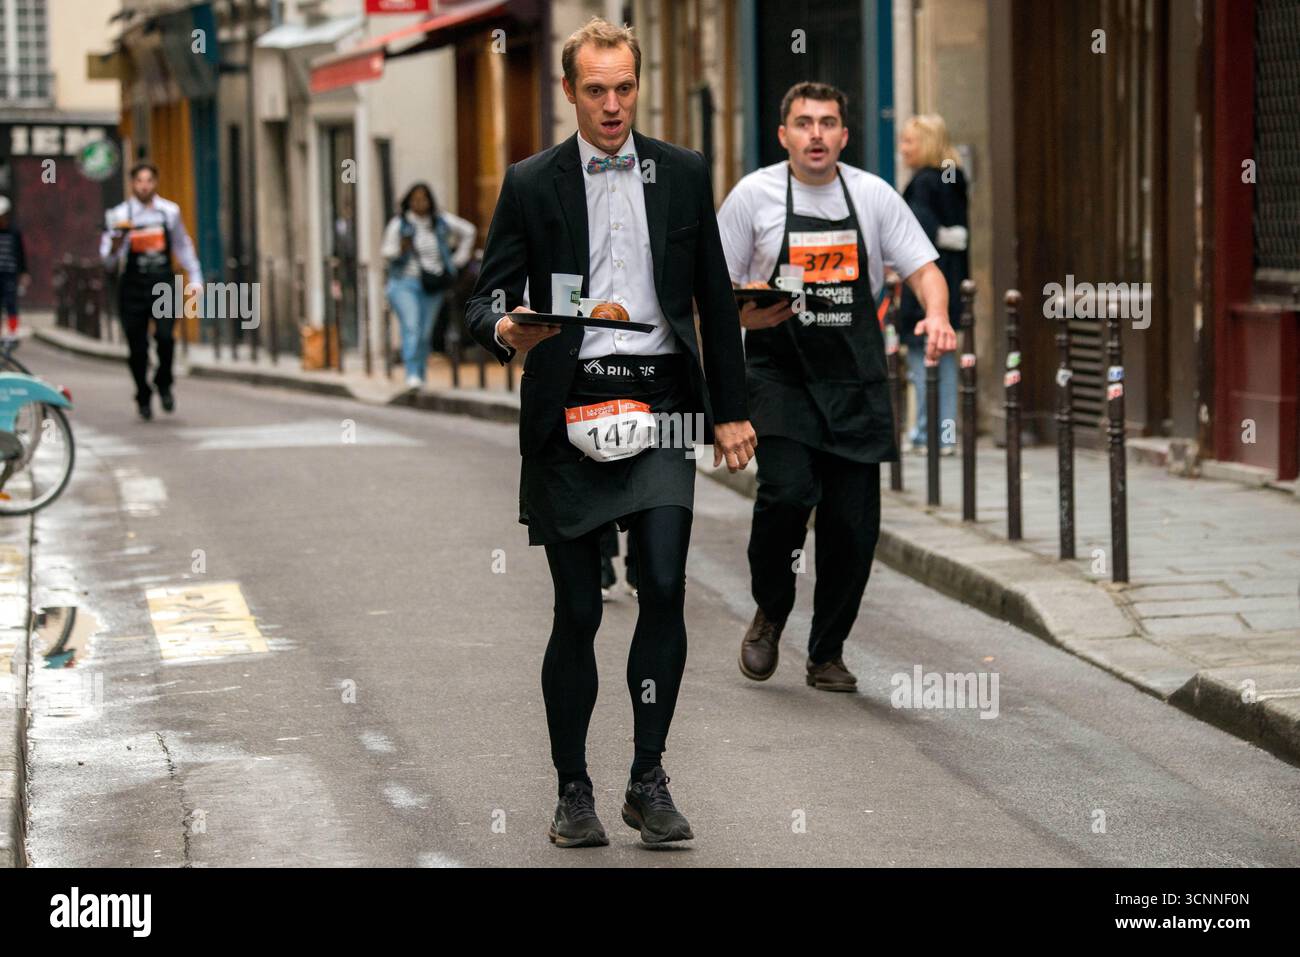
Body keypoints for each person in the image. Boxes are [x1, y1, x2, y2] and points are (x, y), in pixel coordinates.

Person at [464, 17, 754, 848]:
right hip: (569, 407)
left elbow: (713, 294)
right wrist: (506, 331)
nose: (613, 103)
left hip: (663, 403)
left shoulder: (684, 173)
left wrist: (731, 408)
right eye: (596, 89)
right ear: (569, 92)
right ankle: (572, 789)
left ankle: (648, 776)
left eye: (625, 87)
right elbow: (485, 295)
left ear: (638, 84)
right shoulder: (531, 182)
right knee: (580, 610)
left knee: (664, 585)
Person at [717, 81, 955, 692]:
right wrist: (741, 316)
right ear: (784, 135)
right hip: (780, 376)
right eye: (803, 122)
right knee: (787, 495)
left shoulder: (872, 196)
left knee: (853, 528)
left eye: (827, 123)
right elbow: (711, 293)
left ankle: (827, 652)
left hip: (854, 380)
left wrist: (938, 313)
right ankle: (771, 610)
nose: (816, 133)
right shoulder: (754, 196)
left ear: (844, 136)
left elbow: (926, 268)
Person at [100, 162, 203, 420]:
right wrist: (116, 243)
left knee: (167, 337)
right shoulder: (119, 215)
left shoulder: (169, 212)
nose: (144, 185)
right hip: (133, 286)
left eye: (149, 180)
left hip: (163, 283)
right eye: (139, 181)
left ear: (155, 183)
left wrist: (195, 277)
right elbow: (109, 262)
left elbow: (182, 244)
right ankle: (143, 394)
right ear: (132, 184)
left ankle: (164, 382)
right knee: (137, 348)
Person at [898, 114, 969, 454]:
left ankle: (931, 433)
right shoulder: (952, 176)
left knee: (923, 359)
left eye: (908, 141)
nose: (902, 149)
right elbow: (957, 233)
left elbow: (917, 233)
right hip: (954, 282)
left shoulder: (925, 182)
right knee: (945, 360)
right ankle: (941, 432)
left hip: (926, 285)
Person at [381, 182, 476, 388]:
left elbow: (469, 231)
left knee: (425, 332)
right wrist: (401, 249)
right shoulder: (401, 224)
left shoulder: (440, 221)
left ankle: (420, 374)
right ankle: (412, 373)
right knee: (412, 326)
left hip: (432, 285)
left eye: (423, 198)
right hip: (404, 283)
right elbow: (386, 252)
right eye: (415, 199)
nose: (419, 203)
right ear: (408, 201)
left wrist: (456, 262)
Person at [0, 197, 29, 332]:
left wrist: (24, 272)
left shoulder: (14, 232)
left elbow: (21, 253)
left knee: (11, 303)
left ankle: (12, 332)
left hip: (10, 274)